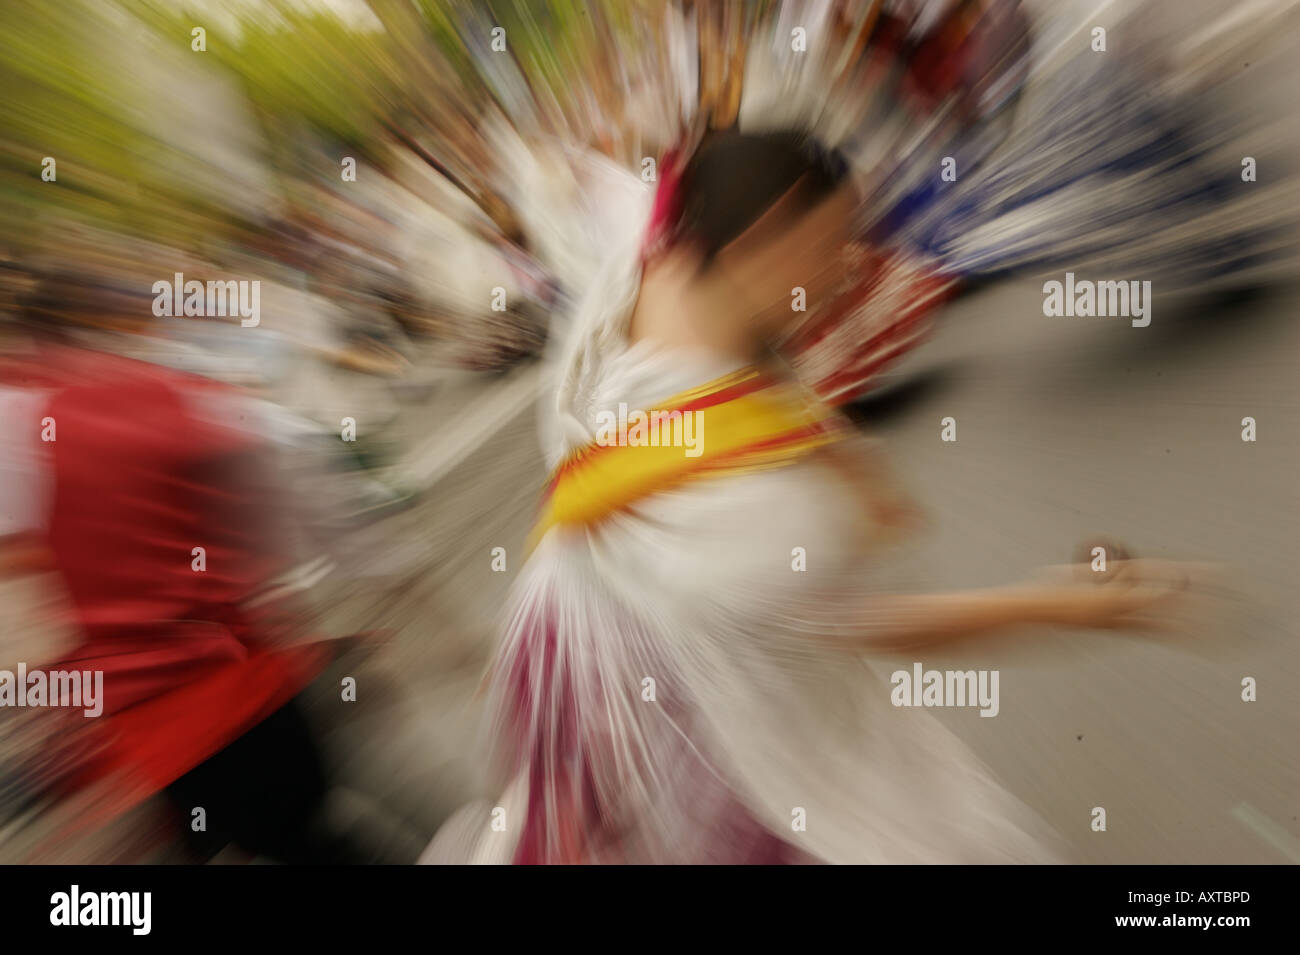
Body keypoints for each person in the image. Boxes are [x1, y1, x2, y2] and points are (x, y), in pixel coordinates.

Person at [424, 129, 1189, 865]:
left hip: (568, 665)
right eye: (835, 241)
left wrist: (827, 444)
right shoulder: (773, 513)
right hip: (697, 727)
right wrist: (1061, 606)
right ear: (761, 238)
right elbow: (873, 626)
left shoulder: (631, 293)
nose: (854, 265)